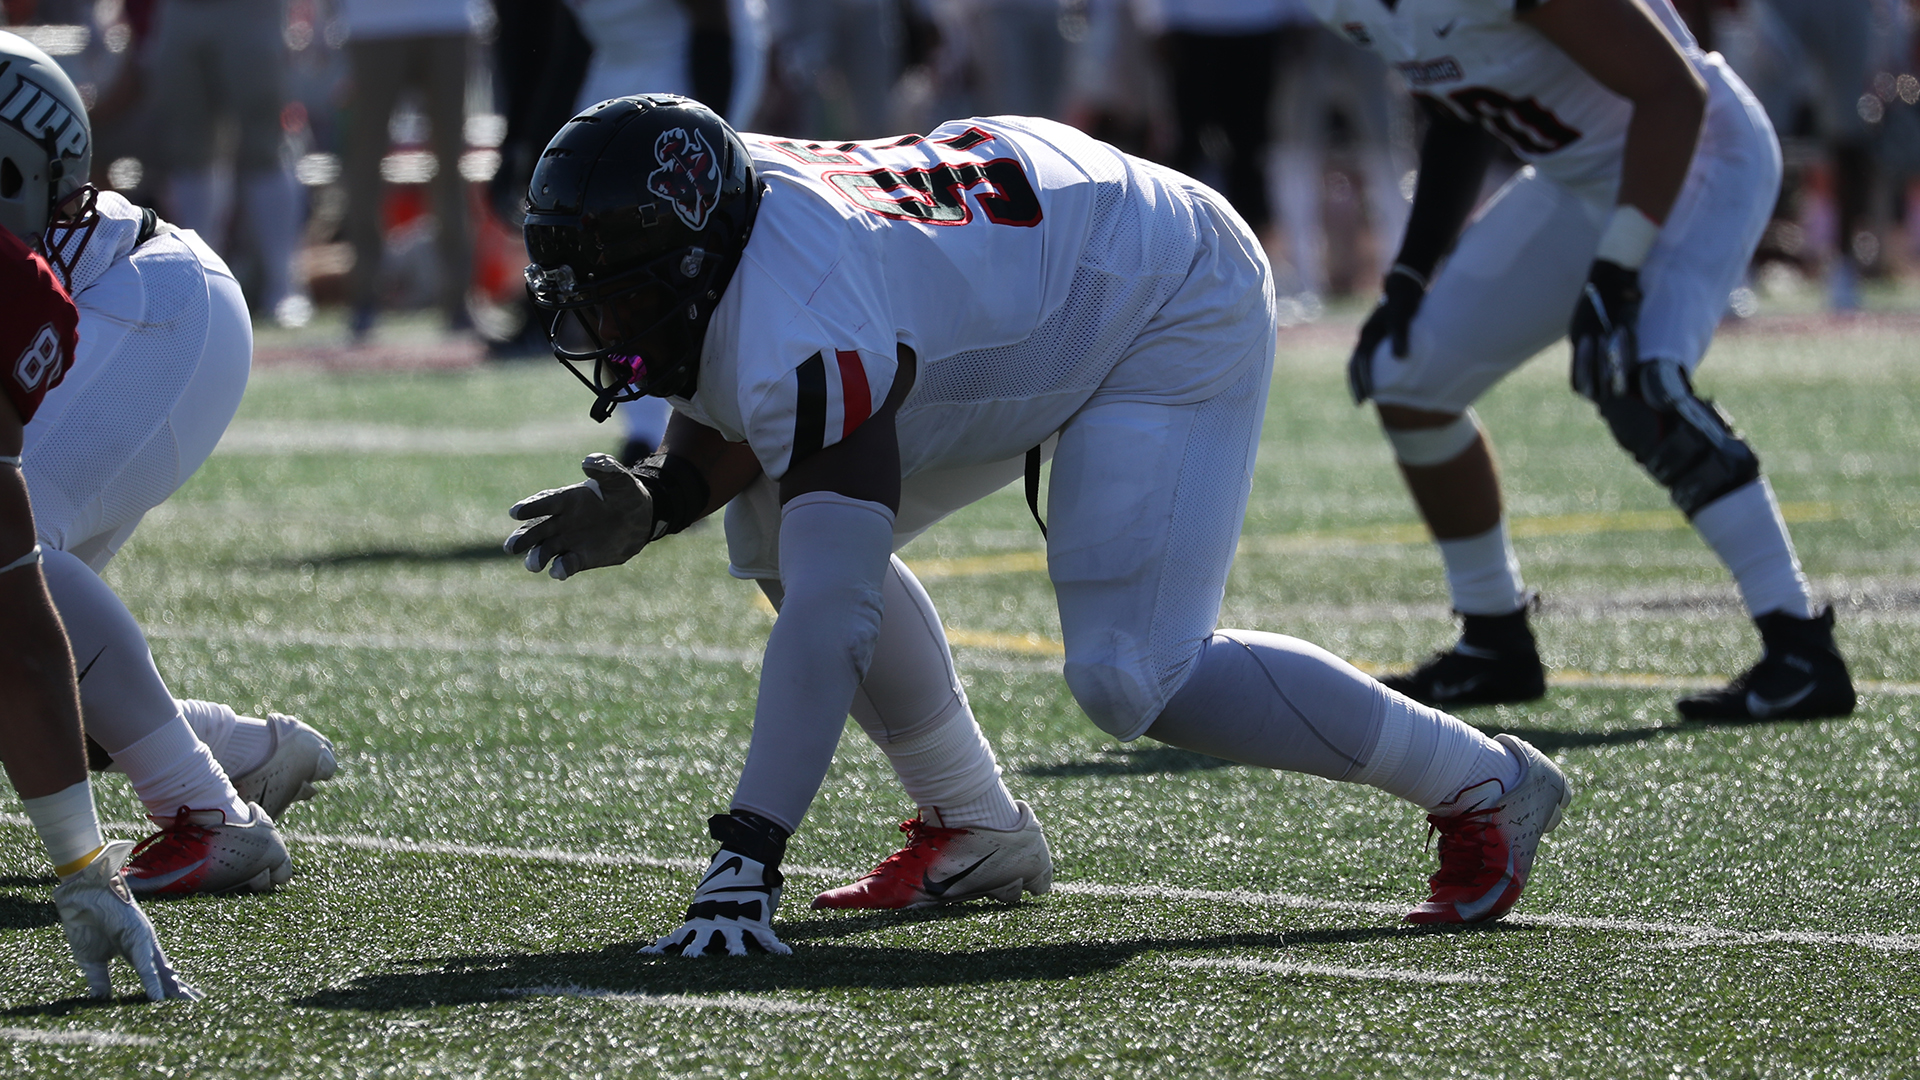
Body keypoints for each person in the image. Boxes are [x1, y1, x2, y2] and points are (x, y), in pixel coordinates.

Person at [506, 94, 1573, 956]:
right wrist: (656, 501)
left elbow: (837, 609)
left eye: (613, 296)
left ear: (687, 263)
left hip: (1159, 290)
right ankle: (975, 826)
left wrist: (748, 852)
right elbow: (741, 374)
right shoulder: (740, 229)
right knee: (782, 531)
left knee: (1132, 673)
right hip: (1039, 258)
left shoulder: (800, 300)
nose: (595, 326)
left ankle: (1486, 781)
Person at [1310, 0, 1855, 721]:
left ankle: (1799, 650)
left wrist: (1616, 270)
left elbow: (1671, 91)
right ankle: (1493, 640)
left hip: (1697, 153)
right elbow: (1457, 106)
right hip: (1580, 178)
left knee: (1635, 377)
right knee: (1409, 379)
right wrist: (1409, 276)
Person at [1, 31, 337, 898]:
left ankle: (209, 817)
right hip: (138, 306)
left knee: (12, 548)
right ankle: (241, 755)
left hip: (154, 304)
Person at [0, 41, 193, 1002]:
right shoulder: (14, 289)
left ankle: (213, 764)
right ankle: (207, 782)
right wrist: (82, 870)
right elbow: (20, 627)